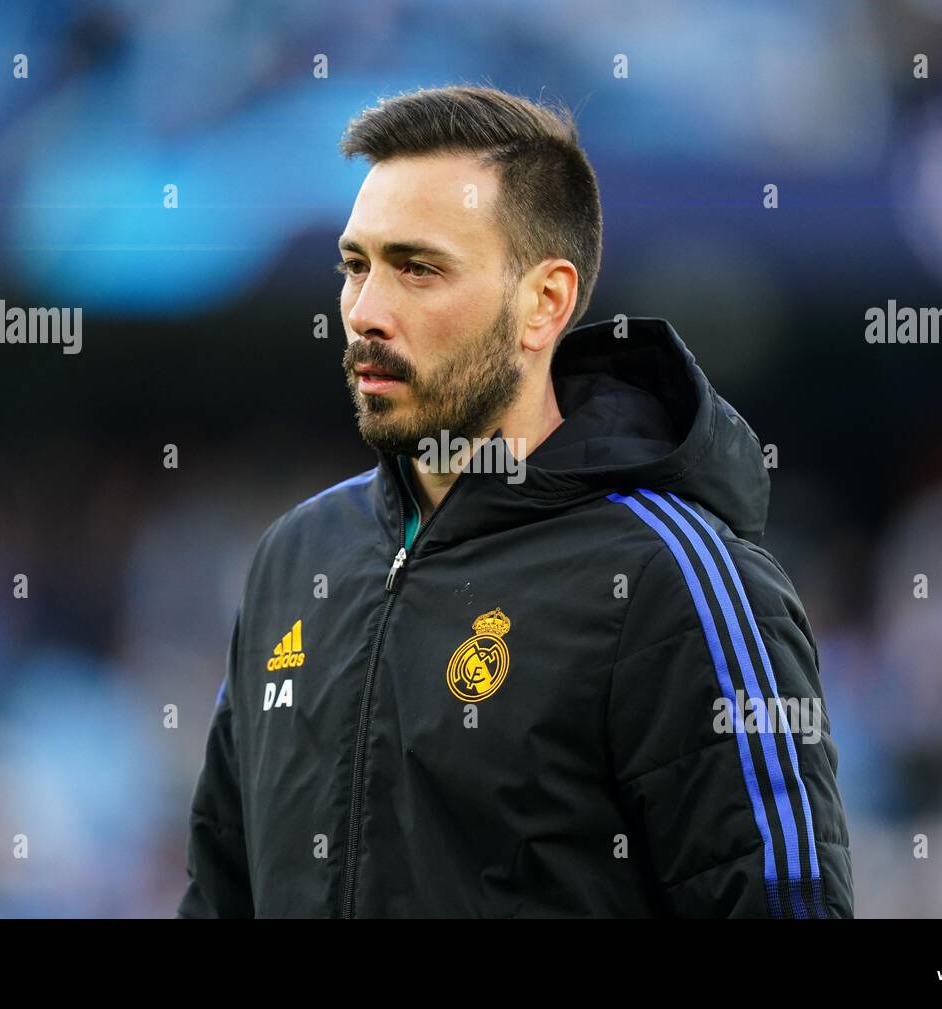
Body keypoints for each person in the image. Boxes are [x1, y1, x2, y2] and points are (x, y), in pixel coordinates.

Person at [177, 84, 853, 918]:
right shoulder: (297, 555)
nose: (365, 312)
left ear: (544, 303)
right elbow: (218, 895)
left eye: (418, 269)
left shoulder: (676, 585)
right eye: (356, 266)